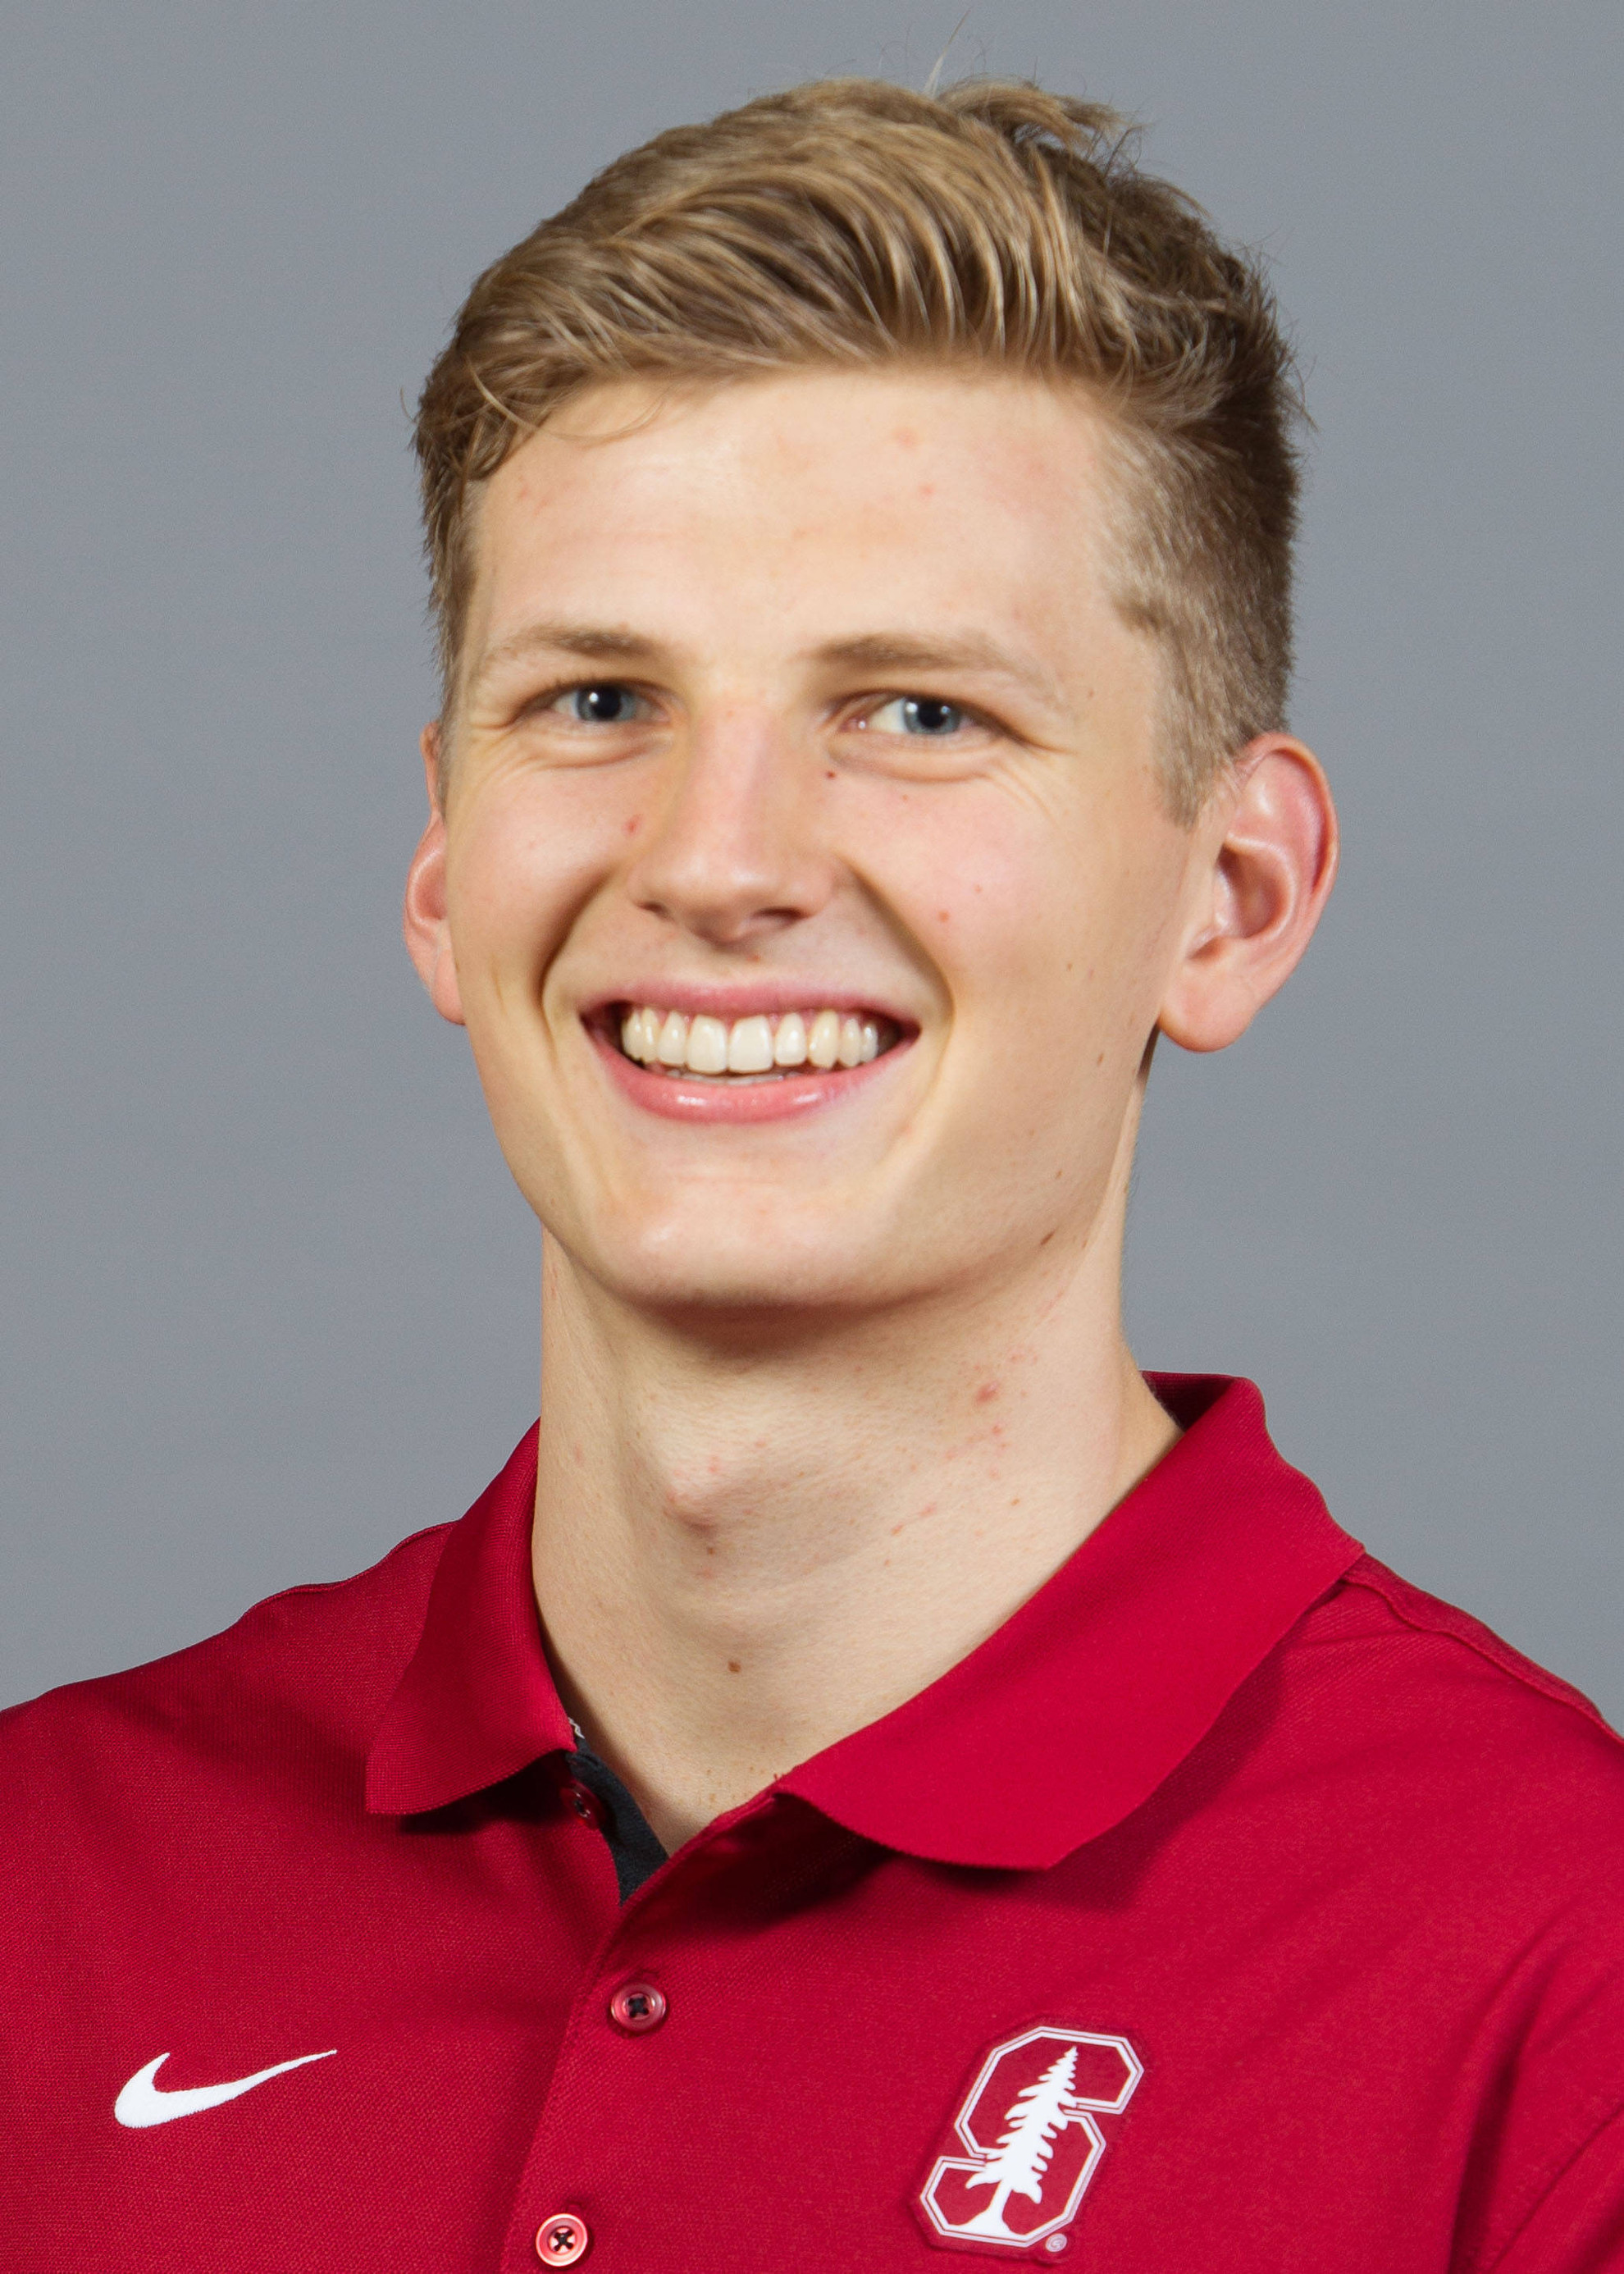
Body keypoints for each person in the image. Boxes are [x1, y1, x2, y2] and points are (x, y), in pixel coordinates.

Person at [6, 75, 1622, 2274]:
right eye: (594, 702)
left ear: (1229, 894)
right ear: (439, 860)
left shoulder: (1555, 1974)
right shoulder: (49, 1877)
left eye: (918, 712)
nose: (718, 857)